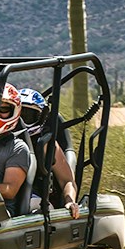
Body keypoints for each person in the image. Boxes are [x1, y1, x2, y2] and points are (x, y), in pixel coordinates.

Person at [17, 88, 81, 219]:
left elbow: (67, 180)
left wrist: (70, 202)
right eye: (18, 114)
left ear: (41, 117)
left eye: (28, 115)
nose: (22, 123)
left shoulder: (46, 144)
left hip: (35, 205)